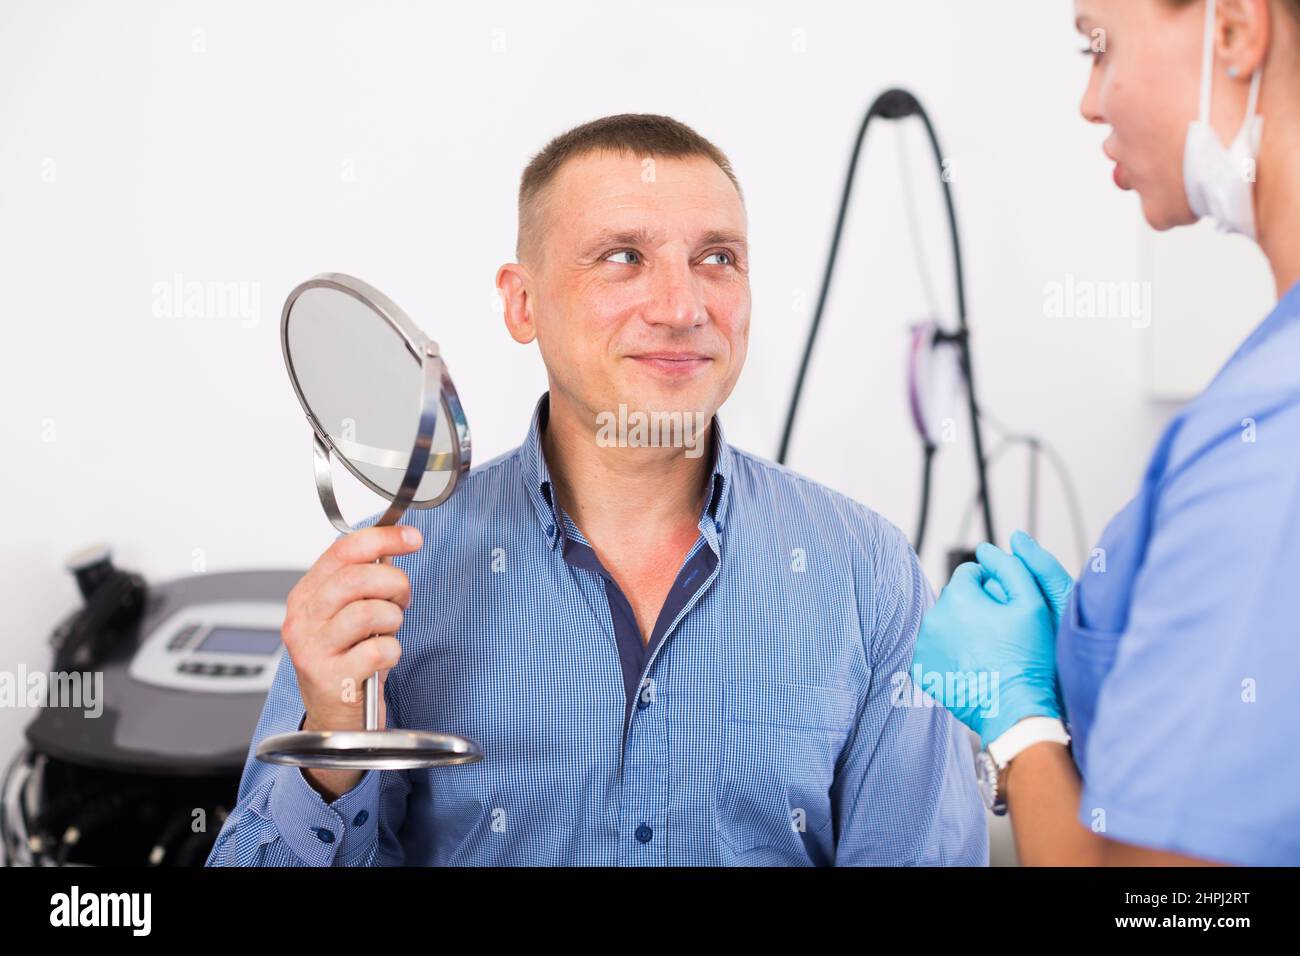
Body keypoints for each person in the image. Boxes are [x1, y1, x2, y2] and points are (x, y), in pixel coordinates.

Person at [207, 114, 987, 866]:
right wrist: (331, 749)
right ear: (522, 302)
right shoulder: (388, 574)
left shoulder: (869, 574)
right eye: (622, 257)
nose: (682, 308)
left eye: (717, 257)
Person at [912, 0, 1300, 865]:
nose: (1089, 101)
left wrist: (1021, 729)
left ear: (1235, 31)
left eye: (1100, 47)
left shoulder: (1272, 437)